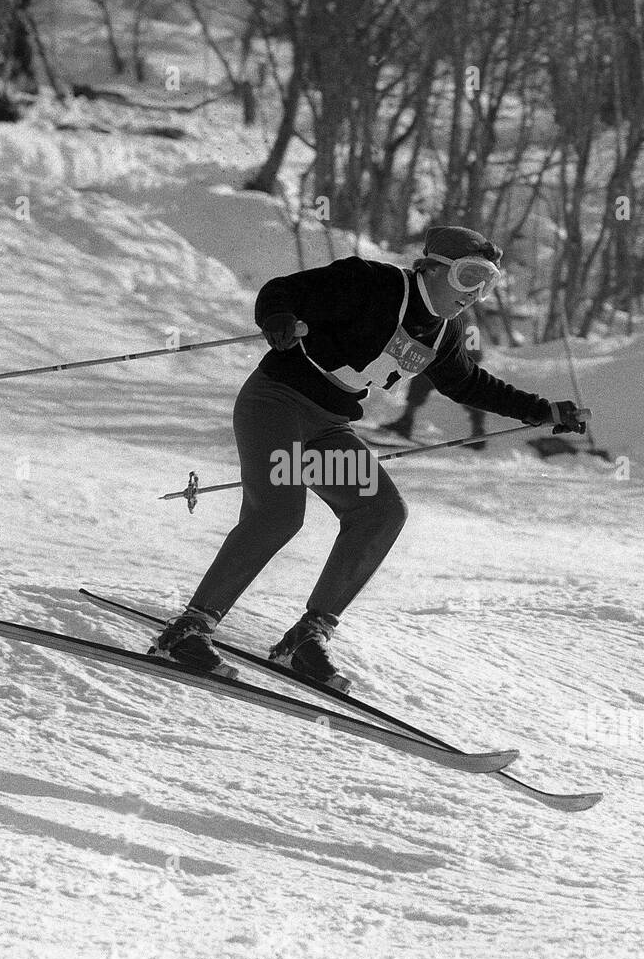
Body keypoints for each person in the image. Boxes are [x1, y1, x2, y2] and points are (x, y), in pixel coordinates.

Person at [150, 225, 589, 688]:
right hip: (276, 403)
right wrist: (278, 318)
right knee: (278, 514)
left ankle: (307, 637)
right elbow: (283, 292)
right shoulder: (372, 283)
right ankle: (190, 629)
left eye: (488, 282)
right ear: (432, 267)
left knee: (380, 512)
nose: (475, 293)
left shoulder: (445, 331)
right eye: (469, 276)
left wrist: (542, 411)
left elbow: (466, 383)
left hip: (327, 429)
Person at [385, 302, 487, 448]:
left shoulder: (463, 315)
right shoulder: (459, 311)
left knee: (466, 392)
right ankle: (406, 420)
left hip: (461, 360)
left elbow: (473, 347)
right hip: (451, 358)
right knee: (421, 382)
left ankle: (479, 432)